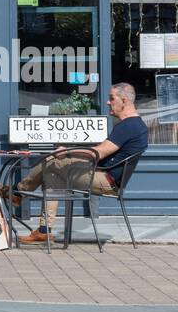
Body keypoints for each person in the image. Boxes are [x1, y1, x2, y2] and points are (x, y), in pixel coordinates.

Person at [13, 83, 148, 245]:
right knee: (52, 173)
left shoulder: (128, 126)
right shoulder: (138, 125)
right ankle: (43, 231)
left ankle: (18, 192)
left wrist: (67, 151)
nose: (107, 102)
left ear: (124, 100)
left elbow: (99, 153)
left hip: (106, 180)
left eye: (111, 98)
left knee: (53, 160)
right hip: (106, 176)